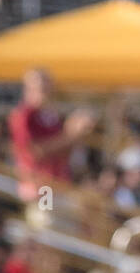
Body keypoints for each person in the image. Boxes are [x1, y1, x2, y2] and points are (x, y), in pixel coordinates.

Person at [8, 69, 95, 223]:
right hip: (41, 189)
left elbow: (63, 151)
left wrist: (75, 133)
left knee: (64, 234)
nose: (44, 92)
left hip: (57, 186)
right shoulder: (23, 115)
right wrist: (72, 134)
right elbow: (34, 152)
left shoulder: (50, 115)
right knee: (47, 231)